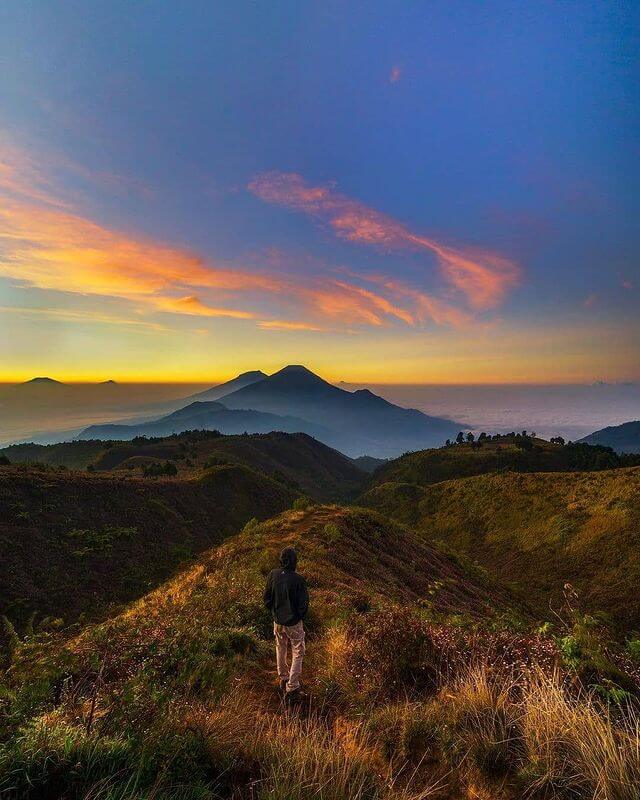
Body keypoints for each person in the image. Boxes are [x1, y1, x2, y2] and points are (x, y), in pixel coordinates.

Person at [263, 547, 309, 702]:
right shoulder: (298, 580)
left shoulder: (273, 574)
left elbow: (267, 598)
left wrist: (275, 612)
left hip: (277, 621)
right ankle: (293, 686)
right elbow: (303, 605)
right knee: (298, 651)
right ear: (294, 561)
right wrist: (298, 617)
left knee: (280, 647)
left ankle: (283, 678)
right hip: (293, 622)